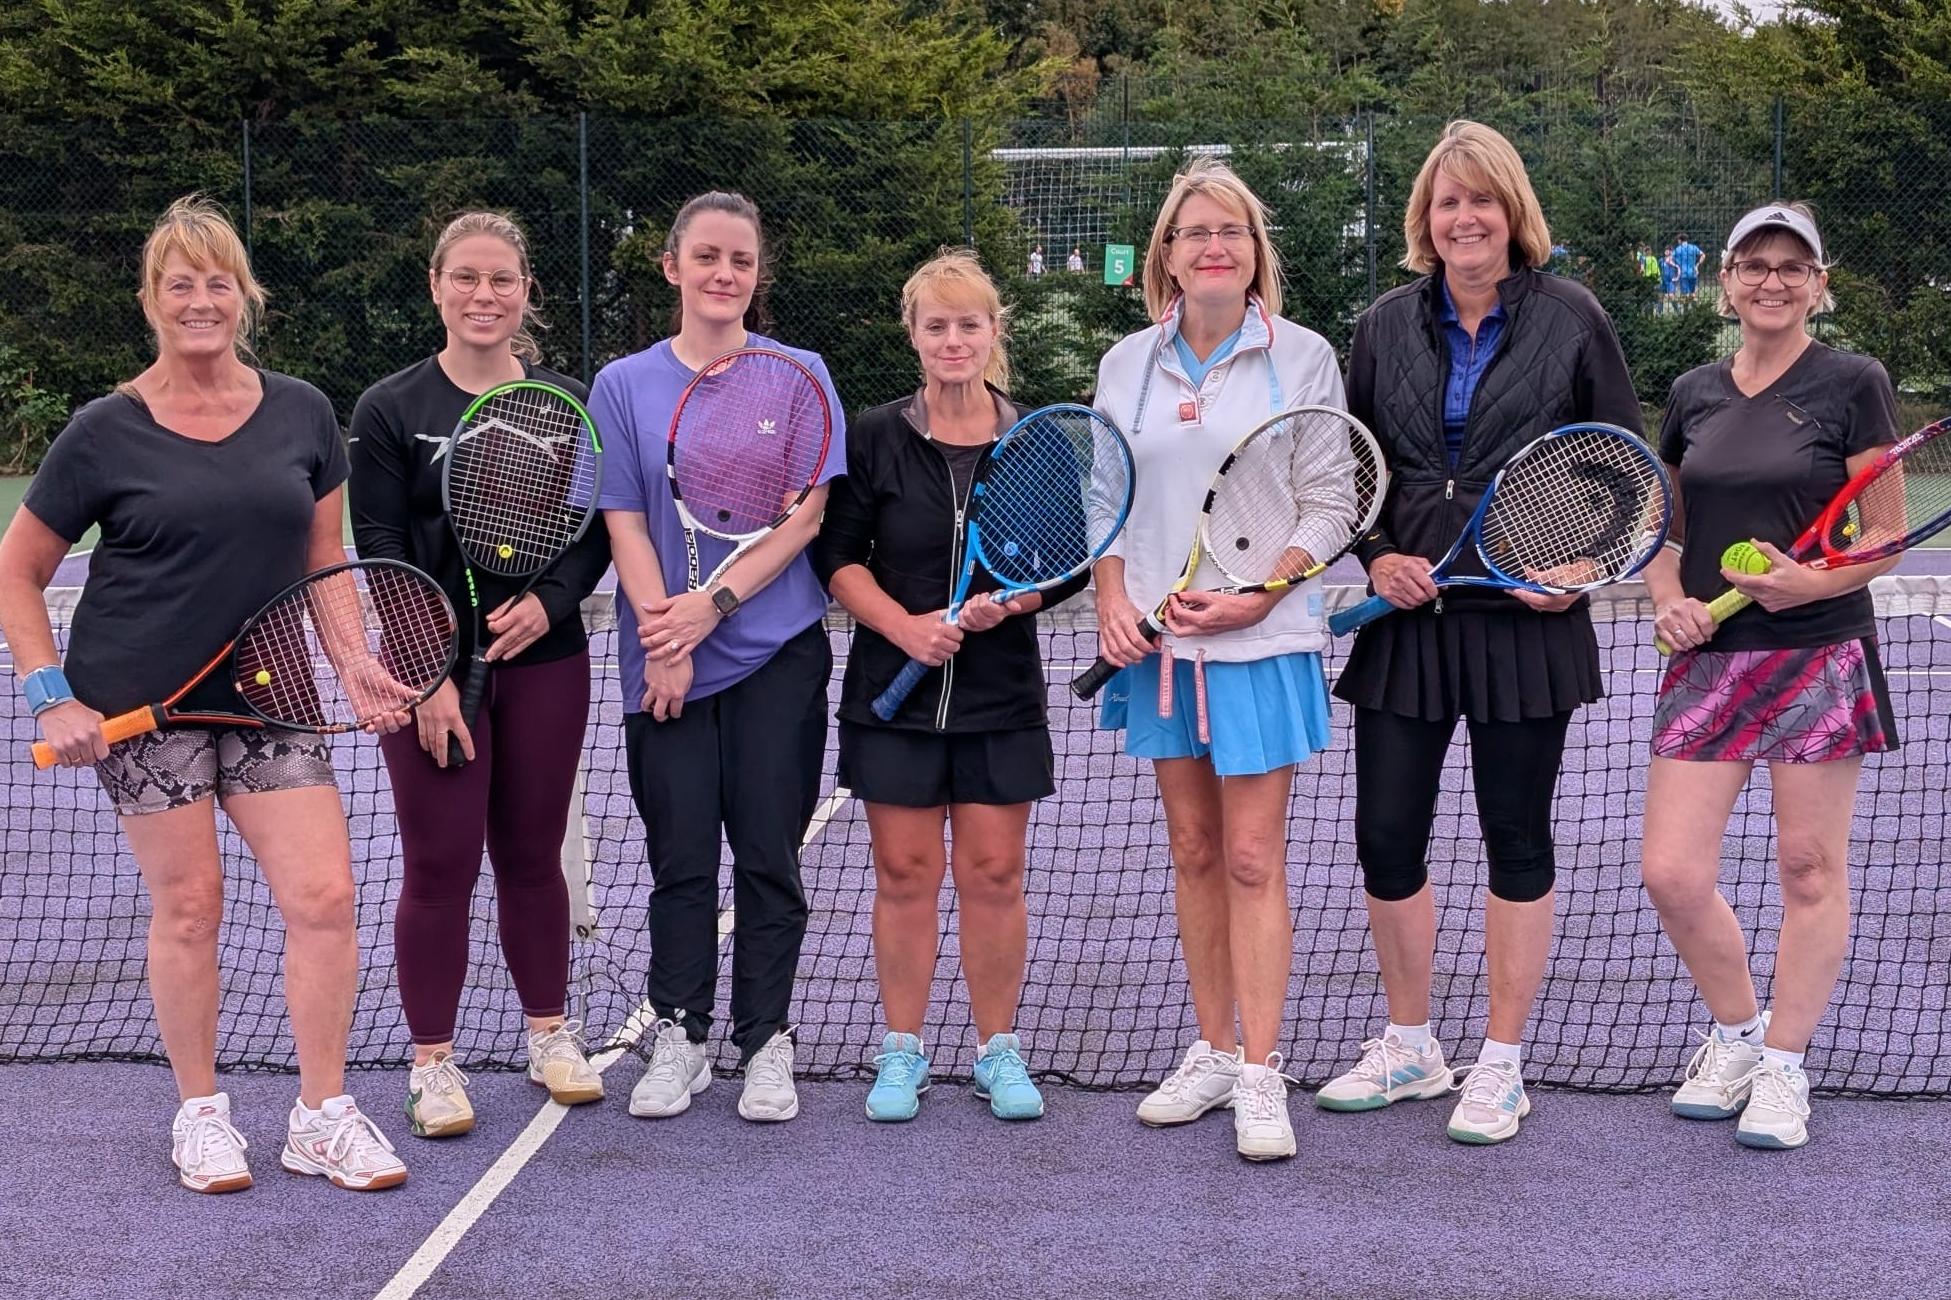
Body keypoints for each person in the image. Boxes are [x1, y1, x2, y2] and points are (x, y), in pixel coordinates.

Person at [0, 196, 408, 1192]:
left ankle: (321, 1115)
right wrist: (51, 692)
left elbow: (322, 563)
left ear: (244, 296)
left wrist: (352, 657)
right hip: (142, 702)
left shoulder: (306, 412)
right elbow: (17, 569)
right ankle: (201, 1113)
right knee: (191, 905)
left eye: (217, 280)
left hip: (271, 695)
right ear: (152, 301)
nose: (200, 299)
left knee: (326, 896)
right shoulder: (104, 432)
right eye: (179, 283)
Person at [1320, 121, 1641, 1144]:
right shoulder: (1378, 326)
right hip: (1408, 620)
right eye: (1447, 202)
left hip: (1523, 623)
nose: (1465, 219)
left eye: (1483, 201)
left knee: (1515, 836)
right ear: (1426, 219)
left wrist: (1582, 572)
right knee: (1384, 837)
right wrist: (1374, 556)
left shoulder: (1572, 318)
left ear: (1512, 215)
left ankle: (1500, 1062)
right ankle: (1411, 1044)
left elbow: (1627, 470)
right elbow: (1353, 471)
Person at [1090, 157, 1347, 1162]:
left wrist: (1261, 594)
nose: (1212, 246)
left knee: (1250, 855)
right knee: (1192, 852)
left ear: (1253, 255)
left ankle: (1259, 1071)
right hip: (1159, 648)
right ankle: (1209, 1044)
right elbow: (1103, 498)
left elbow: (1328, 501)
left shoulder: (1303, 358)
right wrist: (1113, 597)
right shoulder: (1126, 366)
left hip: (1261, 643)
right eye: (1194, 231)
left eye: (1230, 232)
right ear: (1165, 253)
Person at [348, 211, 612, 1138]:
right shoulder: (389, 409)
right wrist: (425, 679)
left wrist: (550, 599)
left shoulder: (565, 403)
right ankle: (433, 1065)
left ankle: (549, 1035)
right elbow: (379, 548)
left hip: (546, 662)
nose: (483, 295)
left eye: (502, 280)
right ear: (436, 286)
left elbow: (590, 537)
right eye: (466, 277)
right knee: (440, 864)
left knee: (535, 859)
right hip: (427, 675)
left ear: (526, 291)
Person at [1643, 203, 1898, 1150]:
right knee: (1670, 873)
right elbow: (1667, 534)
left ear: (1818, 286)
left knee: (1806, 866)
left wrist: (1808, 581)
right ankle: (1738, 1033)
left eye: (1794, 267)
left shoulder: (1852, 383)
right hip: (1709, 659)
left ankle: (1784, 1066)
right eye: (1755, 265)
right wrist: (1668, 595)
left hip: (1818, 652)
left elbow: (1879, 534)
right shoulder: (1694, 391)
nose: (1773, 281)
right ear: (1727, 279)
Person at [591, 191, 845, 1124]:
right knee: (681, 859)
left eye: (739, 260)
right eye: (705, 256)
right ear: (672, 267)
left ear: (755, 275)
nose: (722, 274)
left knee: (770, 857)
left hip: (775, 652)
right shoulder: (622, 385)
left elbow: (804, 516)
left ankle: (765, 1037)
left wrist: (715, 606)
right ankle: (681, 1033)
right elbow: (623, 515)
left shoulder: (800, 375)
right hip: (664, 663)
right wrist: (664, 637)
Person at [812, 250, 1081, 1124]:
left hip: (999, 694)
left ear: (993, 332)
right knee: (904, 869)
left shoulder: (1033, 439)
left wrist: (1014, 601)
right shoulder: (874, 435)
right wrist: (904, 628)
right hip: (891, 687)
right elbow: (838, 558)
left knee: (995, 872)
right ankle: (902, 1052)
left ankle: (998, 1049)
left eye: (970, 324)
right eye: (937, 325)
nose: (954, 339)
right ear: (915, 336)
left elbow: (1066, 563)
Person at [1672, 233, 1705, 302]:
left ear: (1680, 240)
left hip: (1683, 274)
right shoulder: (1693, 247)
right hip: (1693, 273)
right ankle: (1695, 308)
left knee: (1685, 295)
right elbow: (1703, 255)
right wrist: (1697, 265)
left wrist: (1677, 266)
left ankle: (1686, 310)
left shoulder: (1678, 249)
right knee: (1692, 293)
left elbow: (1670, 259)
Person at [1660, 243, 1678, 311]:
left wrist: (1676, 277)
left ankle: (1677, 311)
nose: (1666, 251)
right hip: (1663, 281)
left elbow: (1678, 268)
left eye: (1668, 250)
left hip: (1671, 281)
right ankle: (1659, 313)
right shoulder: (1661, 260)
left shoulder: (1674, 260)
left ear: (1671, 251)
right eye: (1665, 250)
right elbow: (1658, 269)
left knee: (1671, 296)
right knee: (1660, 296)